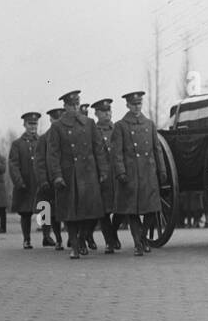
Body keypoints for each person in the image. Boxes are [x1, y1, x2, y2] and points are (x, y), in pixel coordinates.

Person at [45, 90, 109, 259]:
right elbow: (53, 154)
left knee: (92, 213)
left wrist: (103, 171)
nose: (75, 107)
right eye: (71, 105)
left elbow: (98, 149)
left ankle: (82, 238)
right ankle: (74, 245)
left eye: (77, 104)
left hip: (88, 174)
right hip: (69, 176)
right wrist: (57, 175)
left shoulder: (89, 123)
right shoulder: (57, 127)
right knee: (70, 214)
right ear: (65, 107)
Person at [110, 90, 166, 255]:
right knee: (132, 212)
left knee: (151, 209)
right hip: (131, 174)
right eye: (133, 104)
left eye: (139, 104)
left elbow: (157, 150)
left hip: (148, 173)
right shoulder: (120, 126)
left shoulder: (149, 124)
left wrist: (161, 170)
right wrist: (120, 172)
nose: (136, 107)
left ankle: (142, 237)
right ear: (127, 105)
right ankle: (138, 244)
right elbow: (116, 152)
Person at [9, 113, 43, 249]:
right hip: (25, 184)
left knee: (45, 208)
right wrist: (19, 182)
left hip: (40, 183)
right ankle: (26, 239)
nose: (33, 127)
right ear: (24, 125)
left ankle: (47, 236)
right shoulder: (17, 144)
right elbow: (13, 165)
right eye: (30, 124)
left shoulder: (42, 141)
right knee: (25, 212)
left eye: (35, 124)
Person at [92, 98, 122, 252]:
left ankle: (113, 233)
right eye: (103, 111)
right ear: (96, 113)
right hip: (101, 178)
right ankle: (109, 241)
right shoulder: (93, 131)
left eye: (109, 111)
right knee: (104, 212)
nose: (107, 114)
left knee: (120, 210)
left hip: (117, 177)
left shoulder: (117, 129)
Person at [35, 109, 65, 249]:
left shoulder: (66, 136)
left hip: (64, 179)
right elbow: (39, 162)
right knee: (49, 213)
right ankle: (53, 237)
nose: (57, 123)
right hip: (49, 182)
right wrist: (43, 181)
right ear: (51, 121)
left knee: (67, 211)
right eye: (55, 120)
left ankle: (72, 237)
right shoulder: (43, 139)